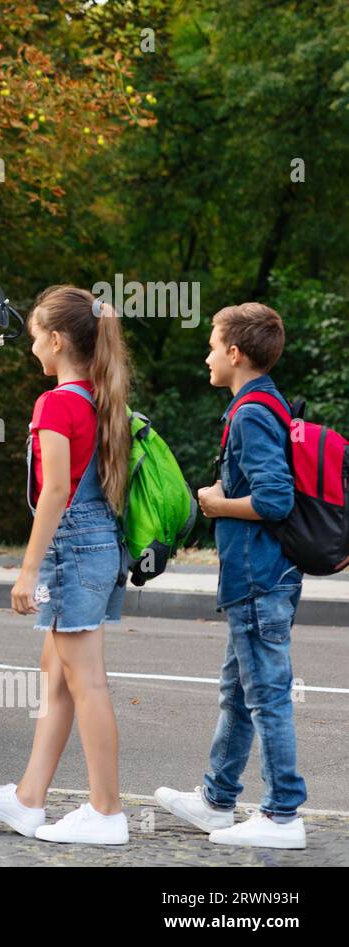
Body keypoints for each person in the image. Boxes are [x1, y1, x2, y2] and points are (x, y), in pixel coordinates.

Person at [0, 285, 131, 845]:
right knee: (57, 675)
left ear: (57, 340)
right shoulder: (100, 398)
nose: (32, 345)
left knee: (86, 682)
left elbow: (56, 490)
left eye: (36, 335)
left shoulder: (56, 404)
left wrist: (28, 570)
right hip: (101, 545)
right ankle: (29, 799)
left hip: (72, 549)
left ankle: (106, 812)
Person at [155, 303, 306, 850]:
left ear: (235, 354)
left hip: (260, 576)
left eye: (214, 345)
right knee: (239, 692)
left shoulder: (251, 412)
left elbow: (274, 499)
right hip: (259, 577)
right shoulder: (265, 404)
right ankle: (218, 799)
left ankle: (284, 815)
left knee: (266, 695)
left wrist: (216, 504)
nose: (207, 355)